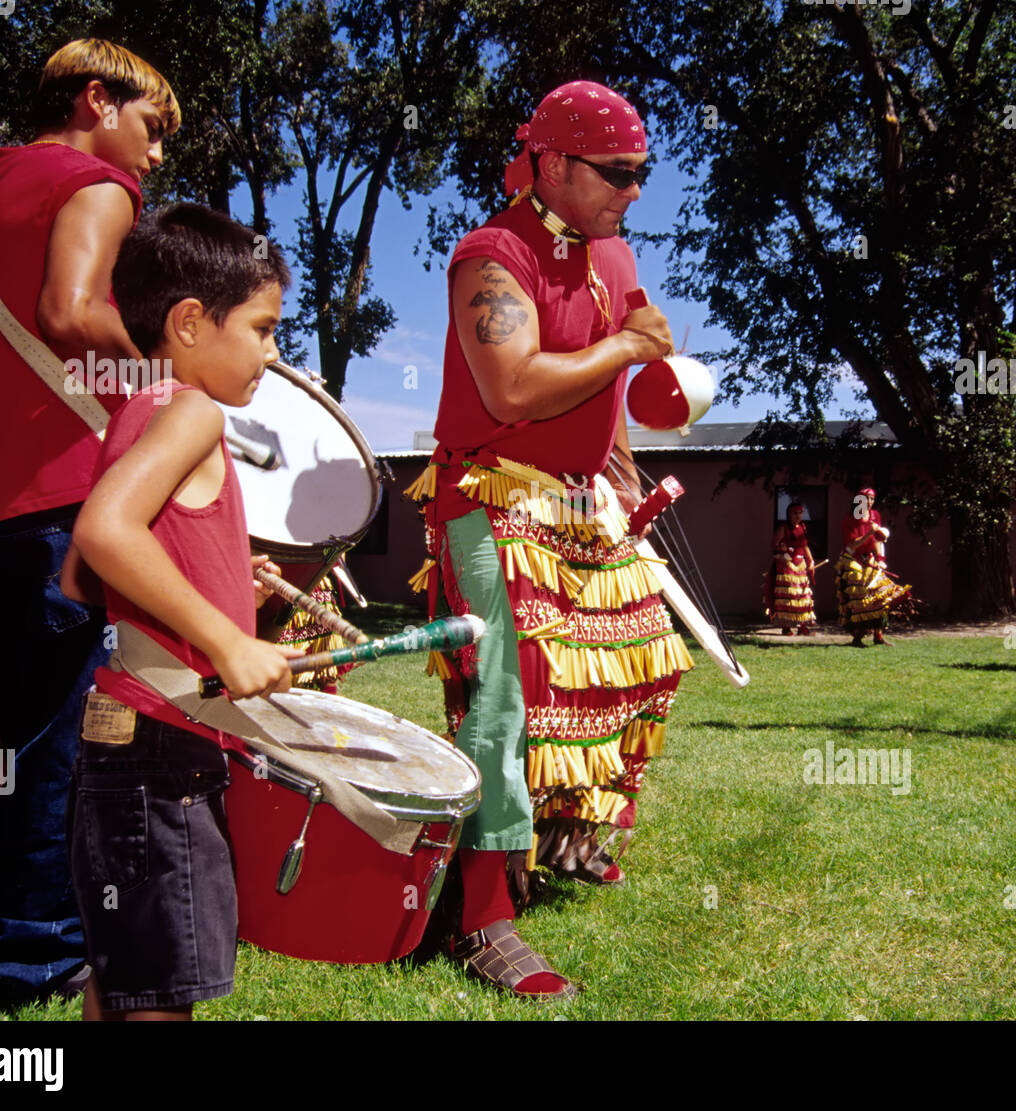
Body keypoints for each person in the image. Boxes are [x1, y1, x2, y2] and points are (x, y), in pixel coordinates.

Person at [405, 80, 692, 999]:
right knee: (506, 691)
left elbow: (609, 376)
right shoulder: (492, 254)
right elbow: (516, 388)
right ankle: (482, 915)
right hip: (489, 493)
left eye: (643, 173)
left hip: (578, 498)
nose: (634, 191)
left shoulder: (613, 250)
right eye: (619, 173)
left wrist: (621, 456)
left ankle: (565, 833)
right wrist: (630, 350)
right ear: (556, 164)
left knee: (638, 662)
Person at [0, 39, 180, 1007]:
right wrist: (175, 373)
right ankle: (35, 951)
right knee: (80, 746)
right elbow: (71, 315)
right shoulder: (95, 184)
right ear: (94, 100)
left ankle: (7, 919)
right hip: (68, 500)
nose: (153, 157)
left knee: (15, 745)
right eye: (151, 128)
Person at [65, 202, 297, 1021]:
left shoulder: (131, 412)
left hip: (118, 745)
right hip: (167, 750)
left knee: (124, 973)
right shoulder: (194, 412)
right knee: (162, 992)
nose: (275, 352)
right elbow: (103, 533)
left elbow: (80, 578)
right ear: (192, 322)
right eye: (264, 328)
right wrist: (227, 636)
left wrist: (228, 573)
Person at [835, 487, 910, 646]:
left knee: (880, 594)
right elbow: (851, 546)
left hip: (870, 559)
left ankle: (878, 635)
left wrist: (880, 558)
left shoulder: (875, 515)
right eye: (865, 498)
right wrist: (869, 533)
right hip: (852, 560)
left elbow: (878, 540)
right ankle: (857, 636)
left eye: (872, 499)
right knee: (859, 597)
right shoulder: (849, 520)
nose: (869, 502)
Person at [764, 499, 816, 635]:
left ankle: (802, 625)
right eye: (795, 513)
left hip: (800, 565)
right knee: (788, 596)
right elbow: (774, 546)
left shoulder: (802, 528)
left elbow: (805, 546)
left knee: (802, 595)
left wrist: (811, 561)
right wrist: (781, 548)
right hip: (786, 566)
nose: (798, 516)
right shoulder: (783, 528)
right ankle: (786, 626)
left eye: (800, 513)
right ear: (789, 514)